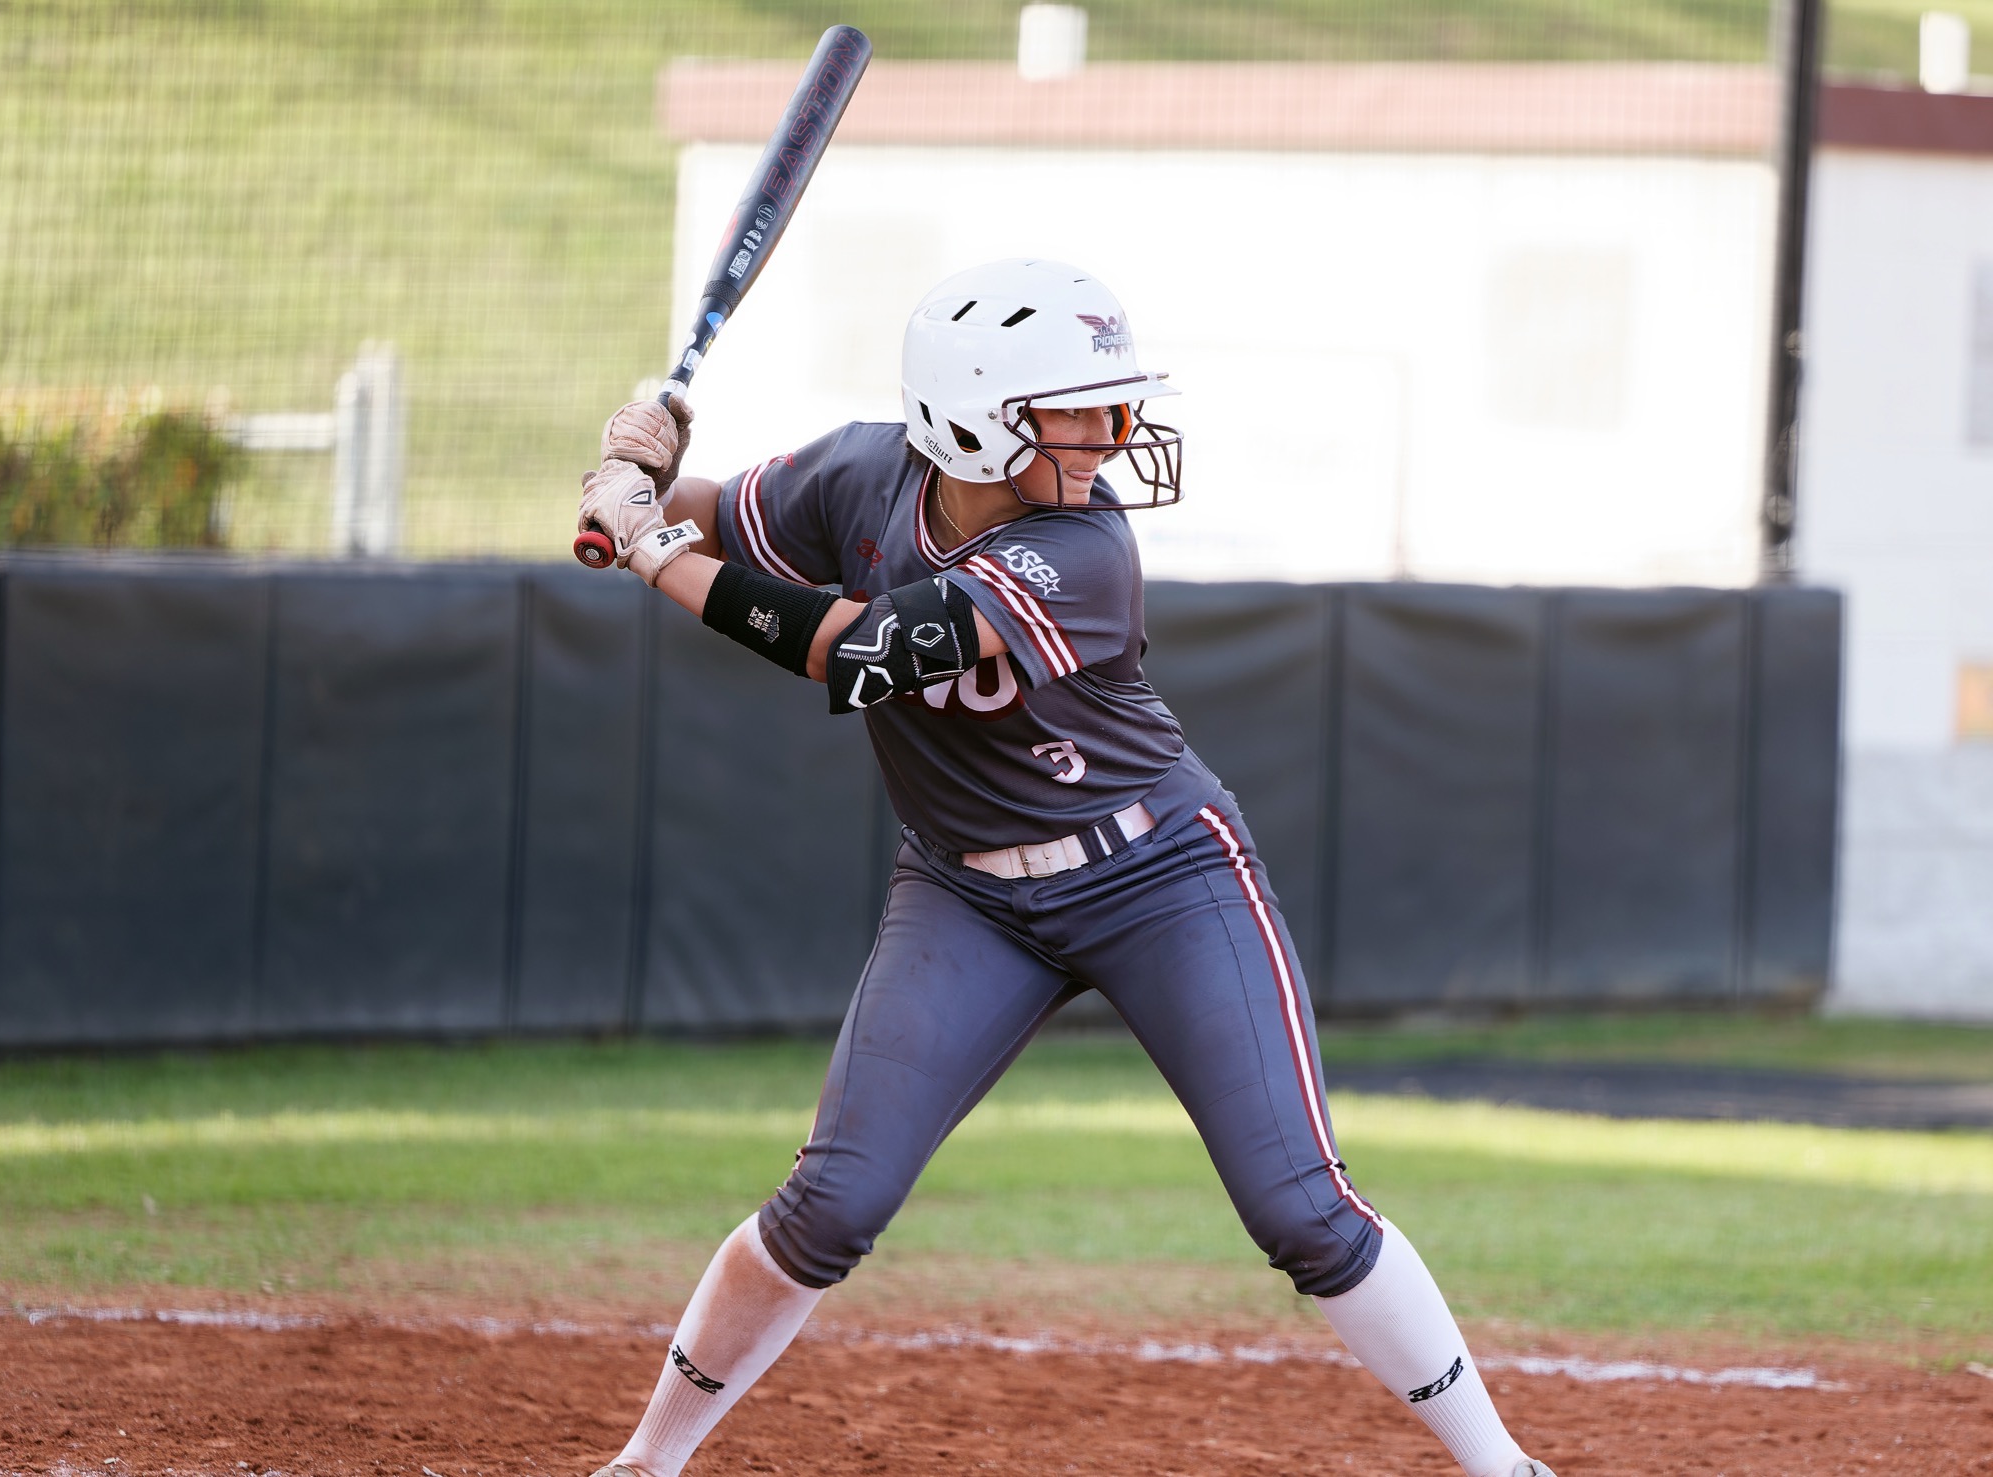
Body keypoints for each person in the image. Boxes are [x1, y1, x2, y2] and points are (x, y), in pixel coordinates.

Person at [574, 258, 1556, 1477]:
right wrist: (648, 476)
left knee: (1300, 1209)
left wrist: (649, 544)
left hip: (1157, 875)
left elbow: (857, 654)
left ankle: (1501, 1466)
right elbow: (723, 516)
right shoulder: (860, 472)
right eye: (1075, 410)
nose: (1109, 435)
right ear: (973, 420)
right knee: (829, 1204)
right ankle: (644, 1465)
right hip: (966, 890)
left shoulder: (1086, 548)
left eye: (1109, 405)